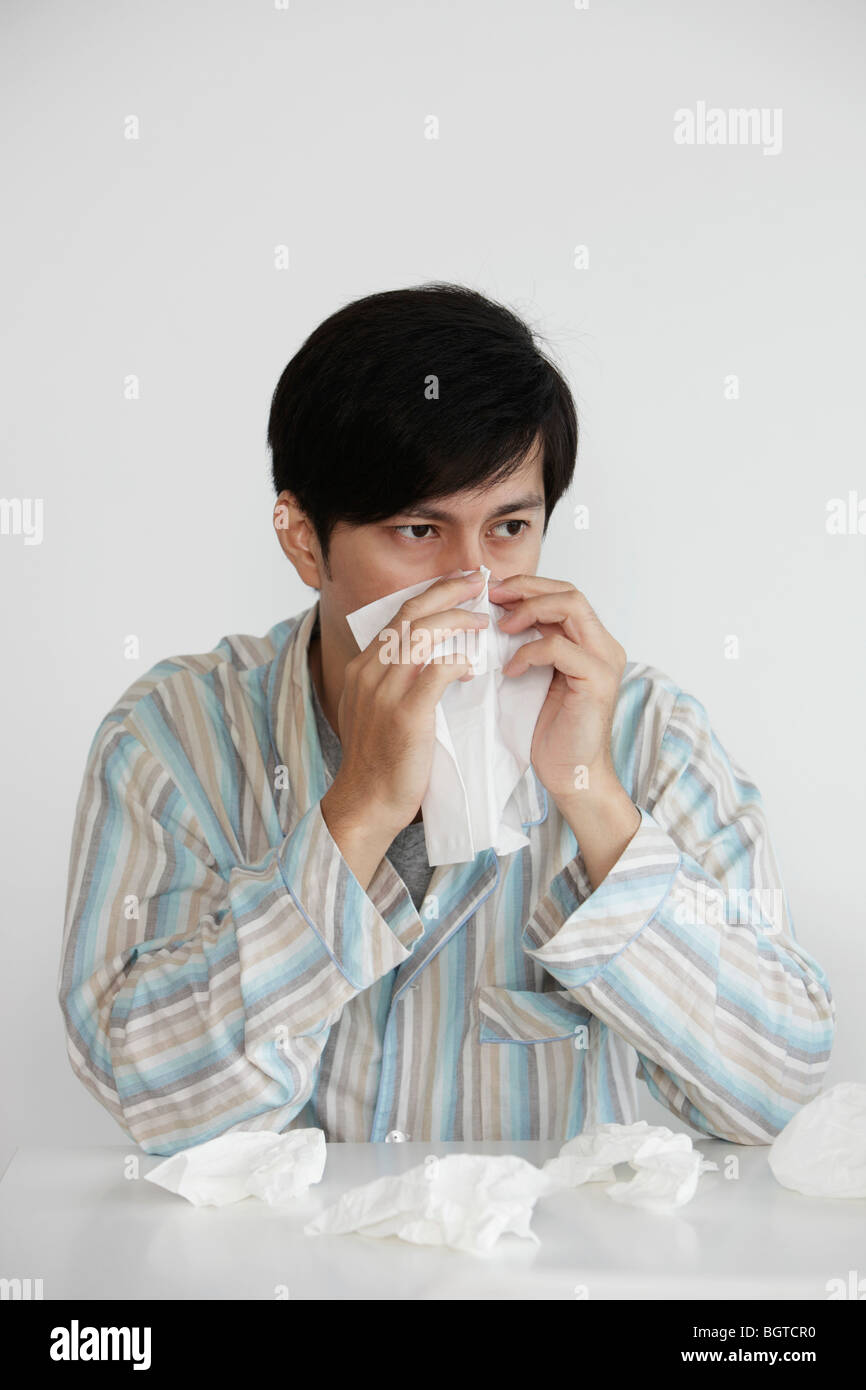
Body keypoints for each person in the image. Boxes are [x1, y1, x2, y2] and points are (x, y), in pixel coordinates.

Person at [58, 283, 834, 1156]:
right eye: (420, 531)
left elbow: (778, 1096)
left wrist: (595, 801)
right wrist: (355, 816)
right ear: (303, 540)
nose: (473, 582)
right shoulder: (174, 738)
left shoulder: (648, 732)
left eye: (507, 526)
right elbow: (148, 1096)